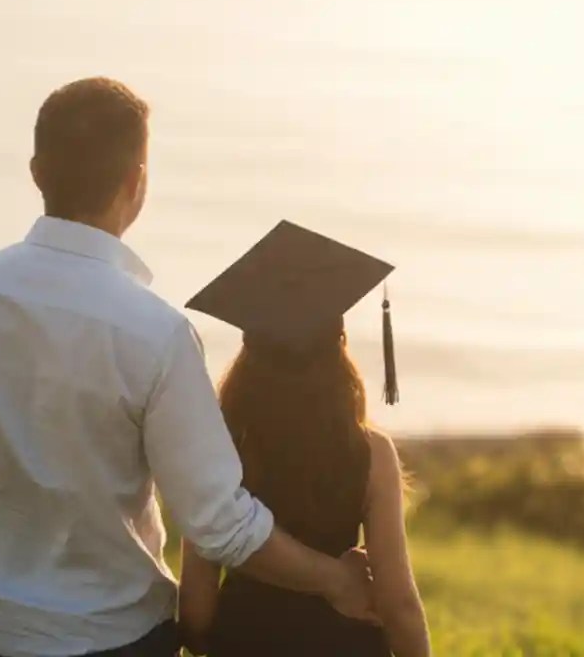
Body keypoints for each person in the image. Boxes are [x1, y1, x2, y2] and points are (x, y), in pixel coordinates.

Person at [0, 78, 376, 657]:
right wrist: (335, 579)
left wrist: (9, 566)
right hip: (119, 640)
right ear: (136, 182)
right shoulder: (155, 333)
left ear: (36, 172)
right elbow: (219, 522)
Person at [178, 221, 431, 657]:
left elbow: (196, 613)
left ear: (249, 351)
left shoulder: (220, 448)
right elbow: (400, 603)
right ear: (340, 344)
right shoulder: (371, 454)